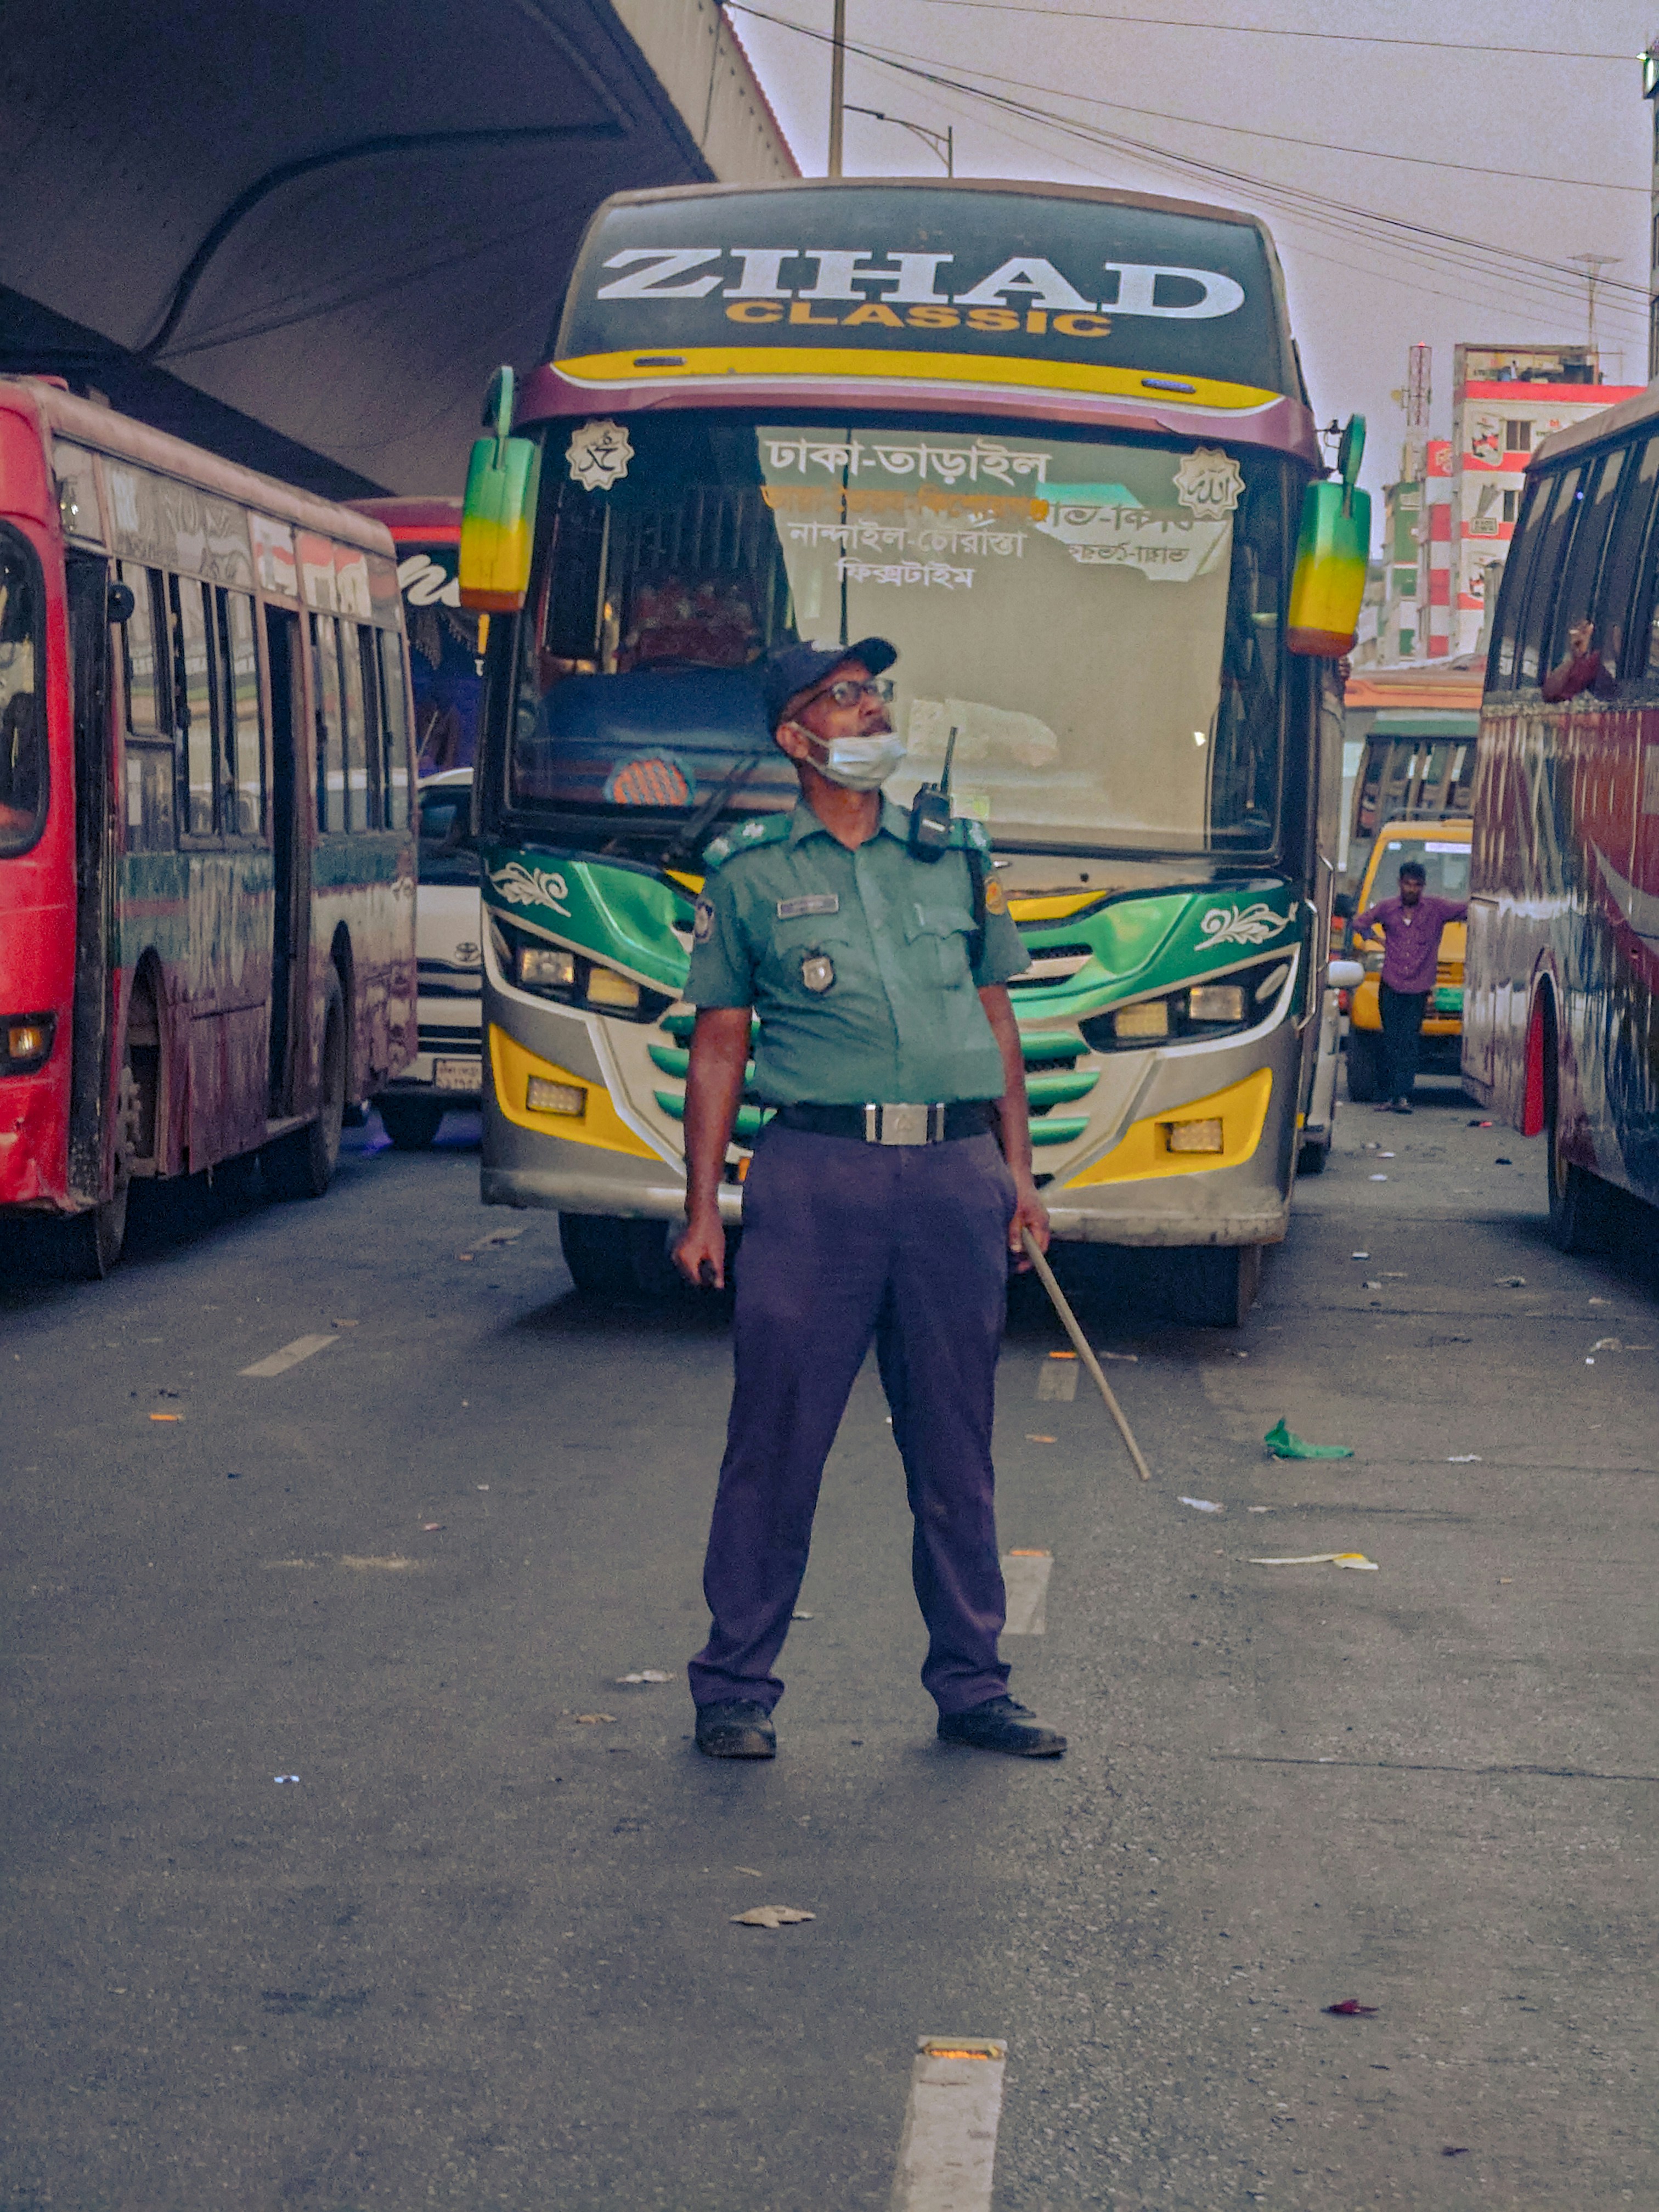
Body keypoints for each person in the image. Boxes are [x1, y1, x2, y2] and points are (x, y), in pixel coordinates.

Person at [673, 635, 1065, 1762]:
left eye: (876, 693)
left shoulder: (953, 856)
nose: (871, 710)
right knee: (777, 1442)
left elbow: (997, 1022)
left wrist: (1019, 1177)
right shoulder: (748, 874)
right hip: (815, 1179)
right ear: (795, 738)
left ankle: (974, 1684)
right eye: (844, 697)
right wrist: (703, 1208)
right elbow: (718, 1049)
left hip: (953, 1179)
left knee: (957, 1444)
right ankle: (735, 1686)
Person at [1352, 858, 1468, 1114]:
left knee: (1409, 1041)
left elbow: (1466, 910)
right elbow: (1360, 923)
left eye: (1417, 885)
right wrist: (1378, 940)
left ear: (1423, 886)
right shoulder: (1387, 909)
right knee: (1390, 1040)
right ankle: (1388, 1096)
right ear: (1400, 884)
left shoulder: (1436, 909)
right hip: (1391, 983)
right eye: (1408, 884)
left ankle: (1403, 1095)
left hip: (1418, 987)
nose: (1412, 889)